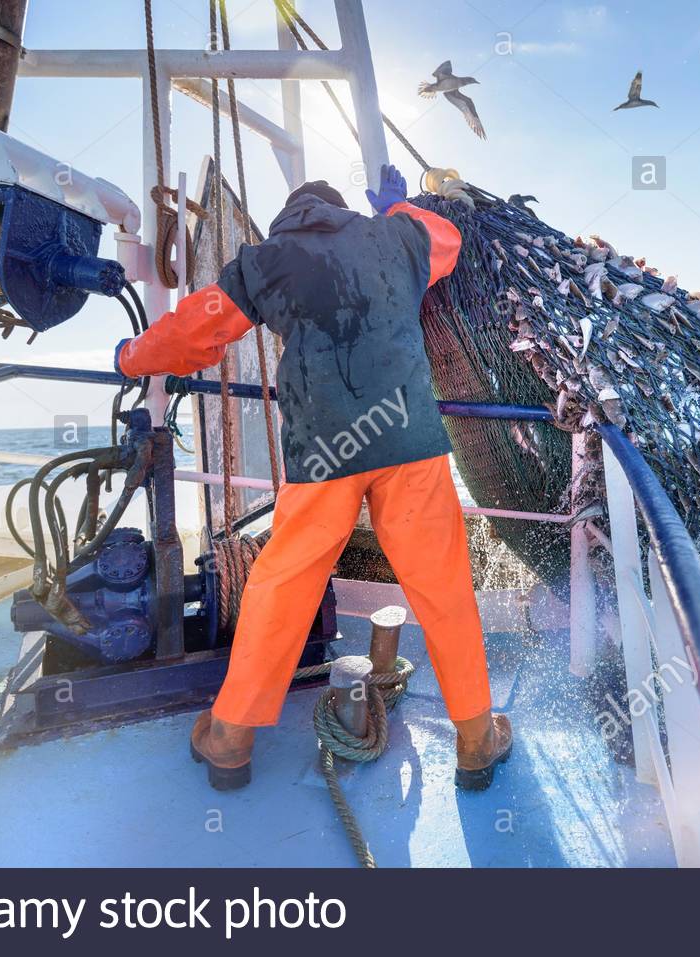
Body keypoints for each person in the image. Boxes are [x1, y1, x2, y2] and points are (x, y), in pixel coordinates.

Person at [114, 164, 512, 792]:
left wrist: (131, 355)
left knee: (282, 586)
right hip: (409, 441)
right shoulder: (397, 238)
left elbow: (196, 331)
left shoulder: (266, 261)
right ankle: (474, 738)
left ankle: (231, 738)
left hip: (324, 452)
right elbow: (448, 240)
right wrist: (397, 211)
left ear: (287, 221)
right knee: (442, 588)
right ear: (343, 212)